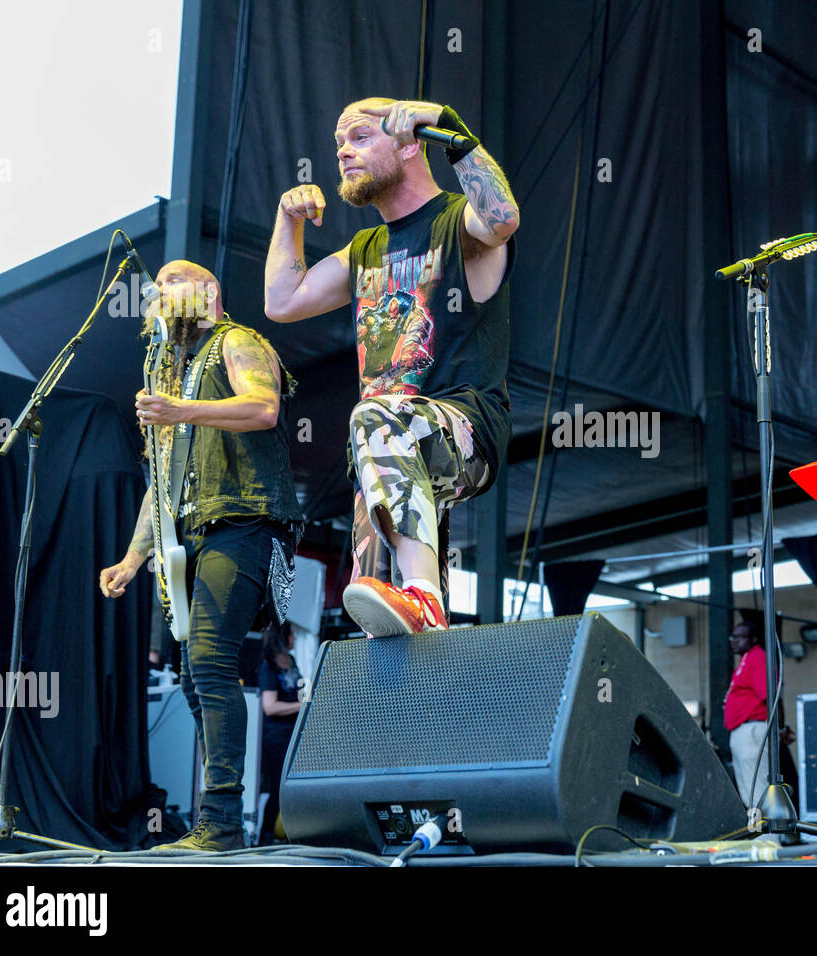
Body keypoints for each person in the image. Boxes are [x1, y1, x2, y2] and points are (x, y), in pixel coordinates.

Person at [264, 97, 518, 636]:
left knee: (374, 416)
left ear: (407, 143)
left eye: (358, 137)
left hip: (463, 427)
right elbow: (283, 302)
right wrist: (289, 220)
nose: (343, 153)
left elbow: (502, 218)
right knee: (378, 611)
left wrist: (449, 126)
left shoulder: (455, 223)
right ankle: (426, 637)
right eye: (338, 145)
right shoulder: (365, 249)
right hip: (384, 450)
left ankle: (423, 595)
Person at [100, 260, 303, 851]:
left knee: (210, 662)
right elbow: (161, 478)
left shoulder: (238, 341)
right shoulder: (173, 373)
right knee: (194, 676)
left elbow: (263, 408)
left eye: (173, 282)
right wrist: (133, 560)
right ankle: (218, 819)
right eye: (155, 288)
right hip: (193, 533)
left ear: (209, 291)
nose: (159, 294)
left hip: (247, 521)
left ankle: (221, 822)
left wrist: (181, 411)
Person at [723, 609, 797, 806]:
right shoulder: (746, 659)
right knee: (749, 790)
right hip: (742, 730)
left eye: (741, 637)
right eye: (734, 636)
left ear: (754, 638)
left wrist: (780, 728)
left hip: (753, 731)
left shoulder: (758, 657)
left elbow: (773, 697)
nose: (735, 640)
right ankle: (760, 835)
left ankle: (769, 836)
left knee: (758, 789)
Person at [257, 621, 303, 845]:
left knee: (291, 788)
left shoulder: (291, 662)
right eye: (292, 635)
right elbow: (270, 706)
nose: (295, 639)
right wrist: (301, 706)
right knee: (277, 788)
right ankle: (265, 837)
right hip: (276, 738)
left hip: (293, 736)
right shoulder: (269, 667)